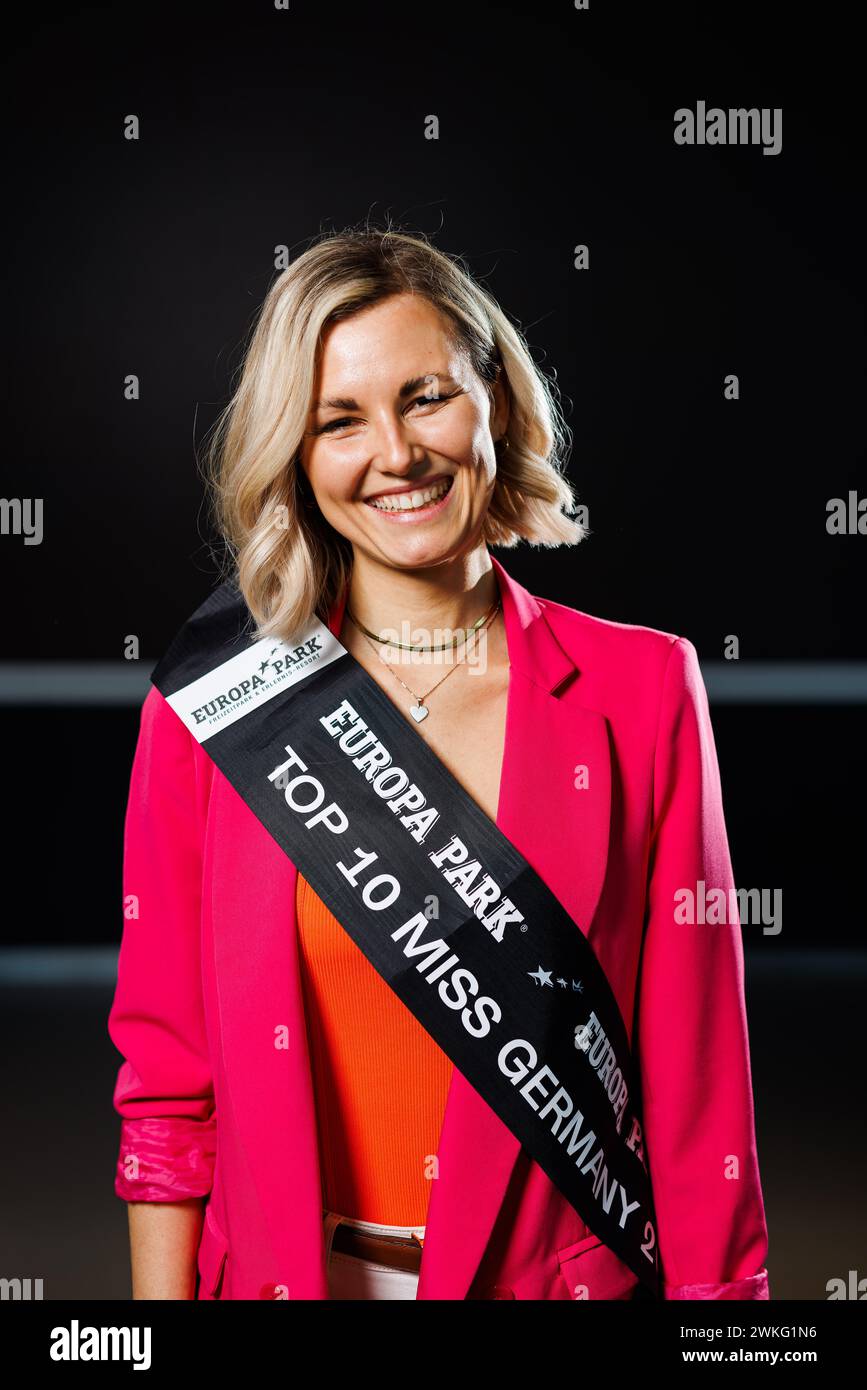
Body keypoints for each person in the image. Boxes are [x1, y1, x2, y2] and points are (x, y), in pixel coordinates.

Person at [108, 225, 770, 1301]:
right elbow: (168, 1091)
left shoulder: (642, 693)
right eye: (338, 420)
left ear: (496, 403)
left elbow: (700, 1104)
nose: (397, 454)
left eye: (426, 397)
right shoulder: (214, 709)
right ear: (296, 451)